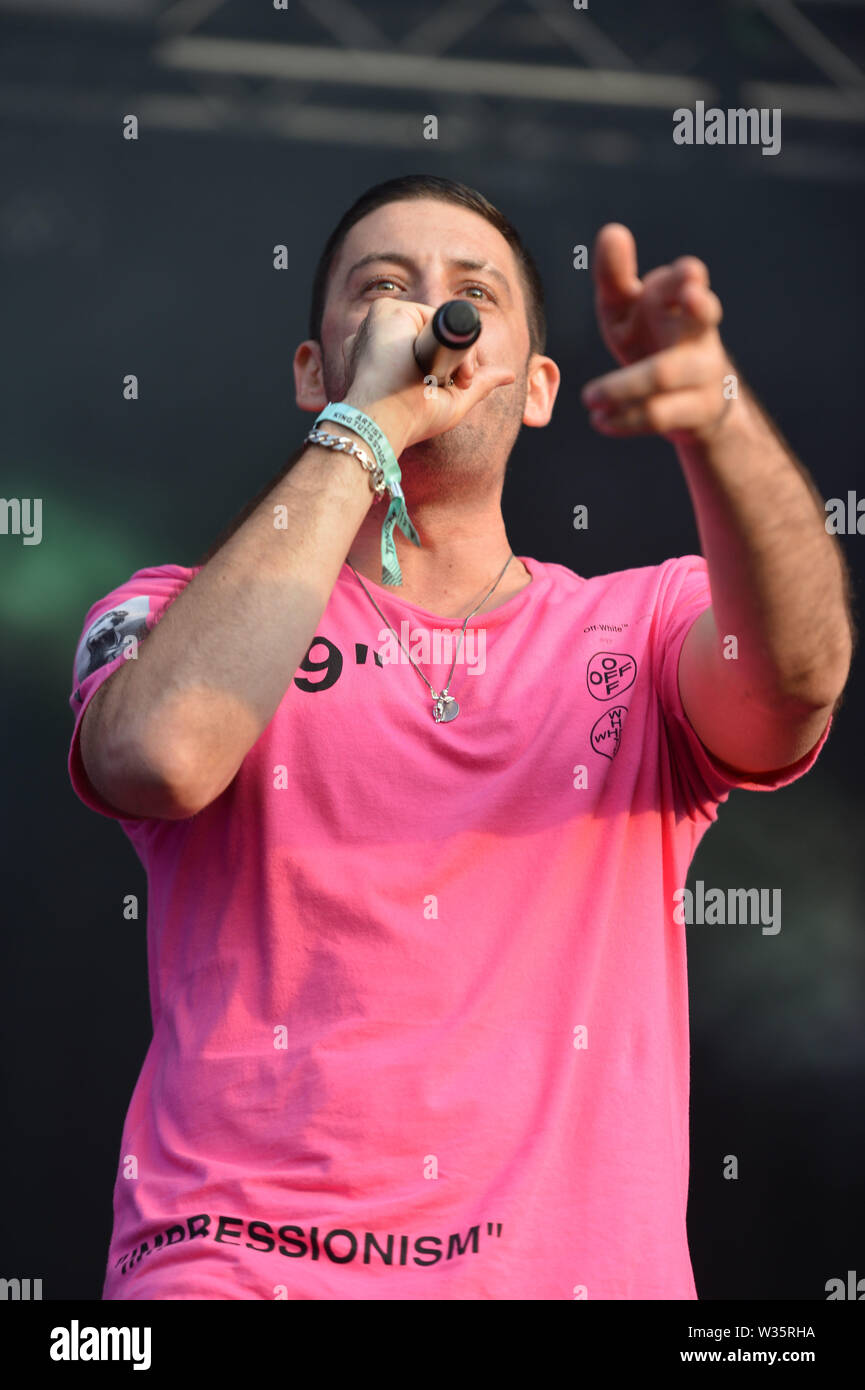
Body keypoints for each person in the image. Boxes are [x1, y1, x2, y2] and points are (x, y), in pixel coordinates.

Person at [68, 174, 853, 1301]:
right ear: (311, 370)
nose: (432, 313)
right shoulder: (173, 609)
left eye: (473, 292)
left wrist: (722, 421)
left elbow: (794, 682)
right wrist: (368, 428)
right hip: (237, 1273)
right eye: (382, 288)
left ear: (537, 387)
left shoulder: (638, 626)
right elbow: (159, 751)